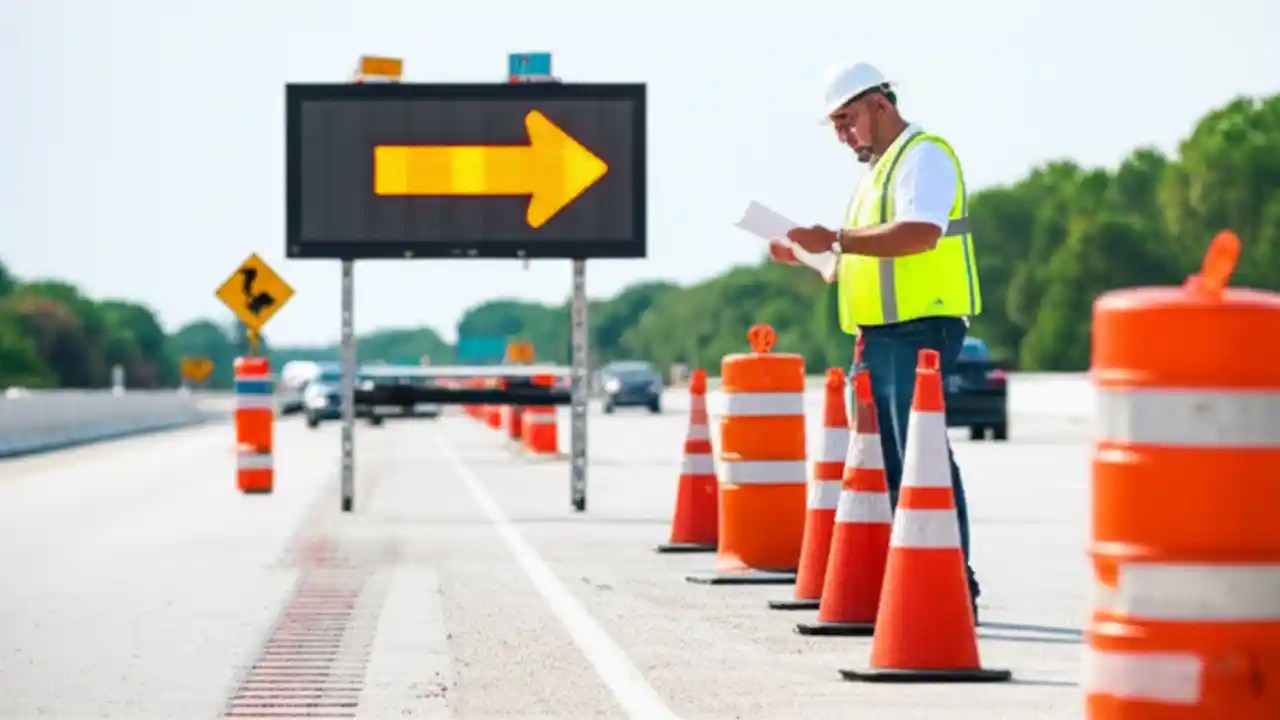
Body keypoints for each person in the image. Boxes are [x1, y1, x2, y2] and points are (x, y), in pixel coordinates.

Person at [779, 61, 984, 622]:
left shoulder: (924, 156)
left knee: (918, 461)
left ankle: (950, 585)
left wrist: (837, 238)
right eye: (836, 125)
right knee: (893, 461)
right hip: (881, 336)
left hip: (921, 328)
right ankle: (918, 580)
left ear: (880, 106)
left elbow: (921, 234)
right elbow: (849, 264)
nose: (843, 135)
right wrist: (807, 252)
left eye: (848, 120)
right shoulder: (876, 173)